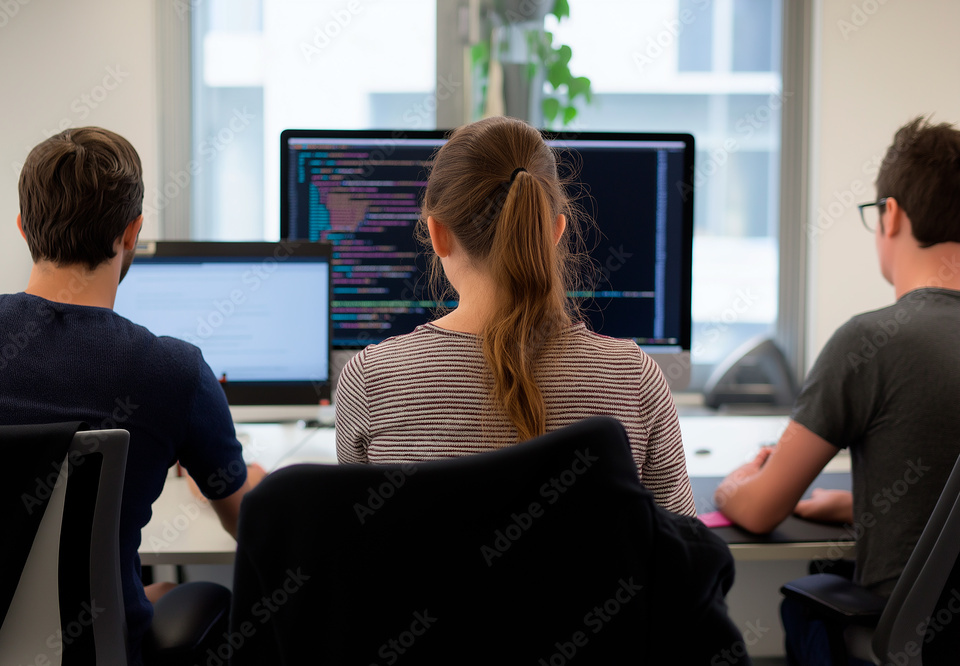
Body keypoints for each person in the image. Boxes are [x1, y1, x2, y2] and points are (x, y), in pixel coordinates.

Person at [0, 127, 264, 665]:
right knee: (195, 598)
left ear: (23, 228)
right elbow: (247, 525)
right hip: (94, 651)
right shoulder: (174, 373)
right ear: (132, 231)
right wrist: (247, 487)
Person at [335, 115, 695, 517]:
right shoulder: (635, 379)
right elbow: (679, 561)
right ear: (556, 230)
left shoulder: (369, 381)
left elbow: (360, 557)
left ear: (437, 234)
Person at [713, 117, 960, 664]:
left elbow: (760, 511)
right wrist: (859, 504)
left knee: (801, 608)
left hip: (907, 640)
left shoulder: (872, 341)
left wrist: (734, 487)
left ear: (890, 216)